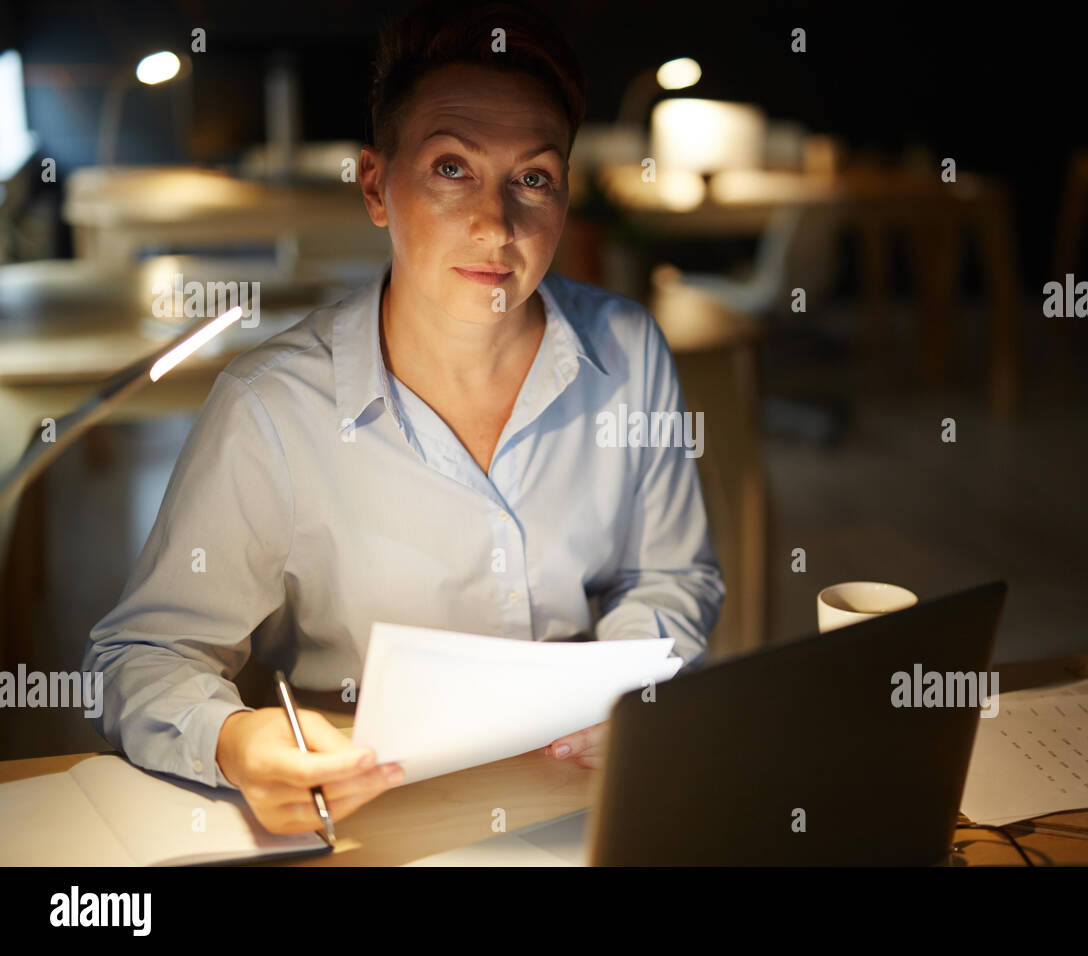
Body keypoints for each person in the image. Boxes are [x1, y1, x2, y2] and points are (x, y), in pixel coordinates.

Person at [83, 0, 723, 835]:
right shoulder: (273, 406)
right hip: (361, 813)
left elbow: (671, 578)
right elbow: (140, 655)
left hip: (576, 800)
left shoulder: (631, 352)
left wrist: (627, 697)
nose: (496, 225)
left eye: (533, 178)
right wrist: (235, 739)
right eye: (452, 168)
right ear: (378, 186)